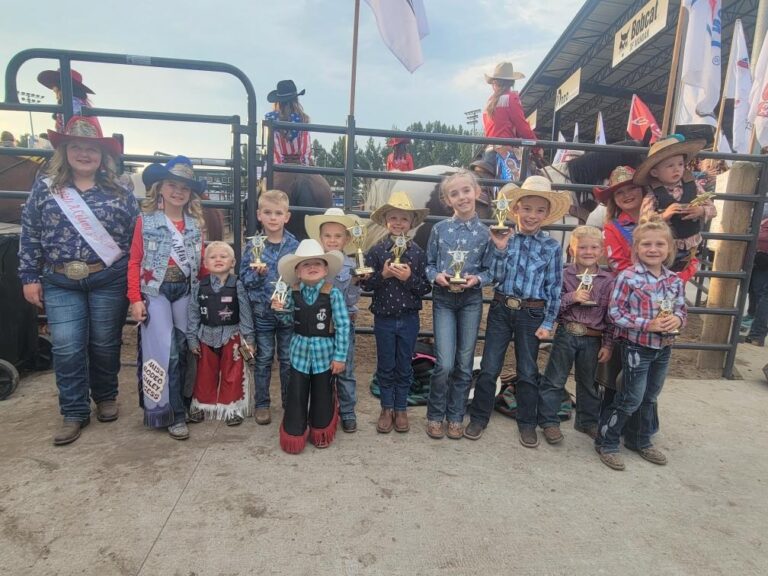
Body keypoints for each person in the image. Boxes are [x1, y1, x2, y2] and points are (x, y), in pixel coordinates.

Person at [19, 115, 138, 445]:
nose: (84, 154)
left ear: (103, 155)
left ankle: (106, 396)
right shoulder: (45, 189)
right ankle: (73, 410)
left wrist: (134, 279)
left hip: (108, 276)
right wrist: (28, 275)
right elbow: (30, 233)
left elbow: (134, 237)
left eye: (92, 149)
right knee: (67, 346)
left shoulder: (120, 191)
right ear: (65, 151)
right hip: (60, 279)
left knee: (105, 343)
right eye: (77, 147)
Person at [464, 176, 571, 446]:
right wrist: (499, 250)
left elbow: (554, 287)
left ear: (546, 214)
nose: (532, 215)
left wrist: (548, 321)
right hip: (502, 307)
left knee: (527, 369)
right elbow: (493, 275)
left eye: (539, 210)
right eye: (527, 208)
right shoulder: (503, 237)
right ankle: (479, 417)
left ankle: (527, 422)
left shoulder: (551, 247)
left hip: (532, 313)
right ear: (515, 209)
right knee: (490, 366)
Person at [596, 218, 686, 471]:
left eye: (659, 244)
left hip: (664, 348)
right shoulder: (628, 277)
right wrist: (647, 324)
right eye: (646, 244)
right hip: (637, 347)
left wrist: (677, 319)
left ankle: (640, 440)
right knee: (630, 398)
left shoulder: (674, 280)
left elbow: (681, 309)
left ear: (669, 248)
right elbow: (615, 313)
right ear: (636, 248)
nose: (653, 249)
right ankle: (607, 442)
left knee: (650, 396)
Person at [128, 156, 206, 440]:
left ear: (190, 194)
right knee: (166, 351)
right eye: (172, 185)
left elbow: (201, 264)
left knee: (187, 348)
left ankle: (186, 401)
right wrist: (135, 298)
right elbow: (135, 261)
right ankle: (172, 413)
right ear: (160, 188)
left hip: (185, 290)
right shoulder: (145, 221)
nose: (178, 192)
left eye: (184, 188)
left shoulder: (195, 225)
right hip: (156, 291)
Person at [424, 170, 492, 440]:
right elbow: (429, 264)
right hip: (444, 299)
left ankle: (455, 416)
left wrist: (477, 279)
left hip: (470, 300)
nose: (462, 197)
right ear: (447, 200)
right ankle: (434, 414)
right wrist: (436, 276)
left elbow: (490, 270)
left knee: (464, 362)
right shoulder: (439, 230)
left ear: (477, 192)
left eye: (466, 190)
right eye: (454, 193)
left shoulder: (486, 234)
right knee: (444, 363)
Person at [272, 239, 350, 453]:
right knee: (296, 395)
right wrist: (280, 310)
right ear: (298, 272)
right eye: (306, 264)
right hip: (299, 354)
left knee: (322, 395)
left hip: (325, 356)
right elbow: (288, 320)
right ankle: (294, 434)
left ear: (325, 270)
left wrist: (340, 356)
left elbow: (343, 325)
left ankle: (320, 431)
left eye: (317, 263)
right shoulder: (292, 292)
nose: (312, 267)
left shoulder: (332, 293)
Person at [538, 226, 614, 442]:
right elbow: (552, 306)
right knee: (555, 379)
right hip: (567, 334)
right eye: (582, 247)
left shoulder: (608, 281)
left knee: (589, 382)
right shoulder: (563, 276)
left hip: (593, 338)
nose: (588, 252)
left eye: (594, 247)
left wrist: (607, 344)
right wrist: (572, 297)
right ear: (572, 250)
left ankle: (587, 421)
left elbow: (611, 316)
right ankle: (549, 421)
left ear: (601, 251)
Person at [363, 191, 431, 434]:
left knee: (404, 363)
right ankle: (386, 408)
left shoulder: (418, 253)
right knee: (385, 364)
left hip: (409, 318)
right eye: (393, 218)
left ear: (412, 223)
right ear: (385, 221)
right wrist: (382, 275)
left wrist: (409, 278)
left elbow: (425, 288)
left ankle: (401, 408)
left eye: (404, 219)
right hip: (384, 318)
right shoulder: (376, 251)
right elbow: (366, 284)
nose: (398, 223)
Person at [240, 189, 300, 424]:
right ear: (259, 215)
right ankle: (262, 404)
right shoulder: (252, 246)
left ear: (287, 216)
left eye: (278, 213)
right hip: (262, 312)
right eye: (267, 212)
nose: (273, 218)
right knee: (264, 358)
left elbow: (300, 277)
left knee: (287, 359)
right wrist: (258, 275)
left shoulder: (295, 246)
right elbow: (244, 279)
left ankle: (288, 402)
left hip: (287, 312)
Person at [306, 208, 364, 433]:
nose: (332, 240)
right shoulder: (313, 263)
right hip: (316, 324)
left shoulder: (352, 265)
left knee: (345, 369)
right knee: (317, 368)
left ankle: (347, 412)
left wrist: (356, 283)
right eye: (327, 235)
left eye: (338, 236)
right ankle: (320, 409)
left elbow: (351, 300)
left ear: (347, 239)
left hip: (342, 324)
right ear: (320, 238)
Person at [187, 241, 255, 425]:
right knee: (204, 373)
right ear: (205, 263)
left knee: (233, 372)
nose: (218, 259)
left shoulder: (237, 285)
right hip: (205, 336)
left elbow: (245, 313)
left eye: (223, 256)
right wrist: (192, 338)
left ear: (233, 262)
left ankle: (232, 408)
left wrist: (249, 340)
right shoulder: (199, 286)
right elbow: (193, 313)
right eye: (213, 257)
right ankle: (202, 406)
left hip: (232, 336)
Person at [634, 135, 715, 275]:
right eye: (670, 166)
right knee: (663, 277)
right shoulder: (653, 194)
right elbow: (643, 222)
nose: (676, 169)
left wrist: (701, 210)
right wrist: (664, 216)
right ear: (655, 172)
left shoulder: (694, 186)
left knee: (682, 278)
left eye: (680, 164)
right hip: (666, 249)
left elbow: (713, 210)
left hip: (692, 246)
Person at [482, 61, 538, 182]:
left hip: (488, 153)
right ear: (511, 82)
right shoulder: (512, 98)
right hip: (505, 153)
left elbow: (487, 131)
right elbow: (522, 128)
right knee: (528, 184)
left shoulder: (488, 103)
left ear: (495, 83)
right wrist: (537, 148)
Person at [264, 80, 312, 166]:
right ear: (296, 100)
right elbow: (306, 150)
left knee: (258, 173)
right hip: (299, 165)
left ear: (277, 101)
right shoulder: (303, 119)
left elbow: (274, 150)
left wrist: (277, 167)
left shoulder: (271, 120)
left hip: (277, 166)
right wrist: (305, 166)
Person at [37, 68, 100, 133]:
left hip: (76, 138)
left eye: (54, 86)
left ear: (60, 86)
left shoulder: (72, 102)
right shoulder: (79, 102)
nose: (53, 90)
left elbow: (76, 128)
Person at [743, 216, 768, 346]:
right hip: (761, 260)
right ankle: (756, 335)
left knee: (765, 297)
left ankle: (757, 335)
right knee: (759, 293)